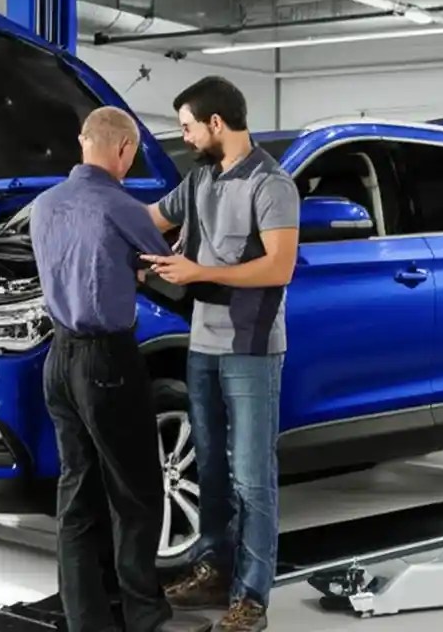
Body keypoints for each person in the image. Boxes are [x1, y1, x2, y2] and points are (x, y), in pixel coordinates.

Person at [30, 106, 210, 632]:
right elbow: (172, 275)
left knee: (77, 491)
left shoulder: (42, 206)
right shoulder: (121, 204)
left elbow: (86, 262)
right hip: (106, 360)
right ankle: (146, 614)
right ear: (125, 150)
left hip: (58, 360)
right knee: (135, 492)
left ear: (84, 141)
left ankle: (86, 617)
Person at [143, 77, 300, 632]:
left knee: (253, 475)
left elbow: (279, 267)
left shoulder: (272, 184)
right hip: (203, 345)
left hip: (251, 348)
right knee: (208, 466)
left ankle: (252, 597)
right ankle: (213, 569)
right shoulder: (199, 179)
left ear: (216, 123)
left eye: (187, 126)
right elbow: (149, 220)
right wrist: (85, 209)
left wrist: (198, 271)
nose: (183, 137)